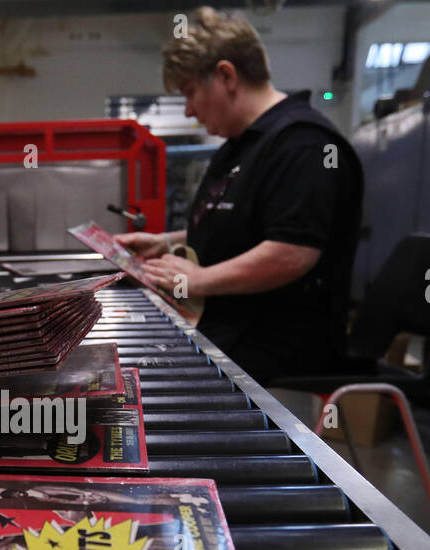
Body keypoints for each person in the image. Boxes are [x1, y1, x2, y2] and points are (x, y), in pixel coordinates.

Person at [118, 7, 363, 385]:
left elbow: (292, 253)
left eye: (189, 93)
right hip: (232, 327)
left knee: (144, 378)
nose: (189, 110)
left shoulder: (304, 146)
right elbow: (241, 225)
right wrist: (165, 242)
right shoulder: (241, 147)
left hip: (278, 344)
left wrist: (199, 280)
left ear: (226, 76)